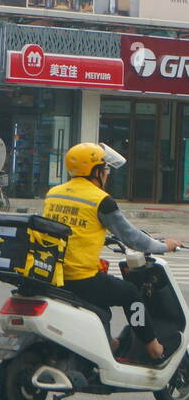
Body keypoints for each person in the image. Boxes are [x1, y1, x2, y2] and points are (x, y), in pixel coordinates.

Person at [43, 143, 182, 363]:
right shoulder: (100, 200)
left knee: (102, 297)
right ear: (96, 171)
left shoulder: (53, 194)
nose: (107, 175)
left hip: (52, 275)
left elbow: (68, 227)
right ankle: (154, 348)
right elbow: (132, 238)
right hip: (79, 277)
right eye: (105, 170)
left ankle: (109, 344)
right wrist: (164, 246)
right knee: (130, 294)